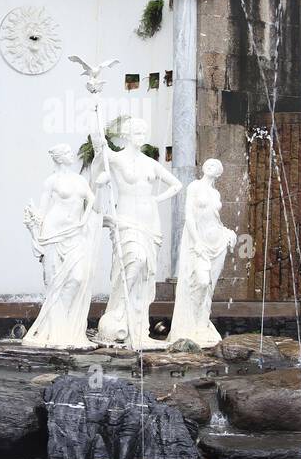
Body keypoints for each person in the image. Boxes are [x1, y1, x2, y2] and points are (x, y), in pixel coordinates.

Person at [90, 115, 181, 349]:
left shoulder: (150, 163)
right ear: (128, 135)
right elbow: (99, 153)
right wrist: (96, 131)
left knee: (146, 272)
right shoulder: (117, 158)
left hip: (150, 222)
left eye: (144, 132)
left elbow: (176, 184)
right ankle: (119, 310)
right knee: (135, 260)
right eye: (138, 132)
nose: (142, 136)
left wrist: (155, 199)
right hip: (127, 219)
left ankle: (137, 328)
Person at [21, 144, 99, 349]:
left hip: (75, 233)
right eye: (66, 153)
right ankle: (56, 329)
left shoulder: (81, 180)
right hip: (54, 234)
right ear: (57, 158)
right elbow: (43, 210)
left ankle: (65, 323)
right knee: (54, 282)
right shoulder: (51, 181)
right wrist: (32, 224)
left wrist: (84, 219)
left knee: (78, 277)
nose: (71, 154)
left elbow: (91, 200)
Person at [168, 159, 236, 348]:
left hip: (217, 242)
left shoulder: (216, 193)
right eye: (208, 163)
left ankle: (201, 323)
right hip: (199, 243)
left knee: (209, 286)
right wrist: (197, 241)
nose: (210, 165)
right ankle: (190, 322)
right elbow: (189, 215)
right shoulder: (194, 186)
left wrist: (227, 233)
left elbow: (216, 220)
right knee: (200, 281)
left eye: (215, 165)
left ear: (219, 173)